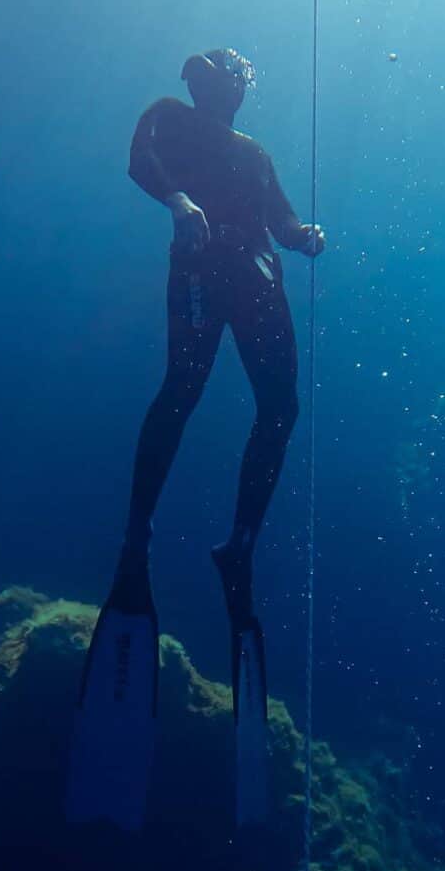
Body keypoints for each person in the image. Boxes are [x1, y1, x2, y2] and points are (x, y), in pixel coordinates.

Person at [115, 47, 323, 626]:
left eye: (231, 78)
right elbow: (141, 158)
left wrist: (302, 234)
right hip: (202, 269)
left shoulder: (254, 153)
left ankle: (240, 545)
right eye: (211, 75)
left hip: (257, 279)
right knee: (183, 388)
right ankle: (139, 532)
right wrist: (179, 200)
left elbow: (279, 222)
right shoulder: (168, 115)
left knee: (280, 406)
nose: (222, 86)